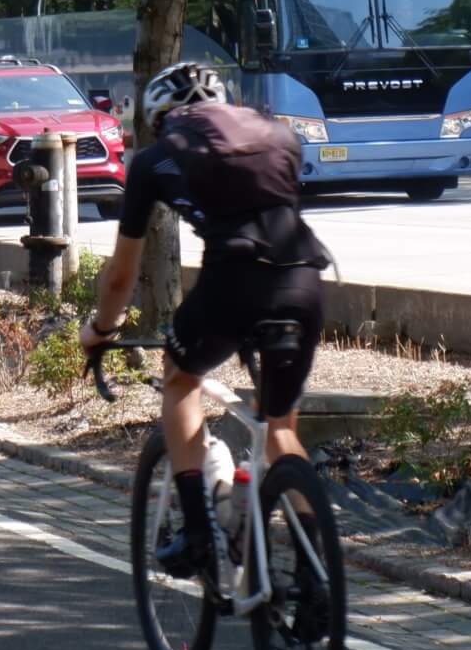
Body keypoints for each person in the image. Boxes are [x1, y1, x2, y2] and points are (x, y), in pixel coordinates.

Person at [80, 62, 329, 581]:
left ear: (159, 118)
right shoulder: (279, 136)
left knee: (179, 377)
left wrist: (101, 329)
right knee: (281, 427)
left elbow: (122, 276)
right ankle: (315, 580)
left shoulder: (154, 159)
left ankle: (197, 533)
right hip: (304, 279)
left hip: (233, 282)